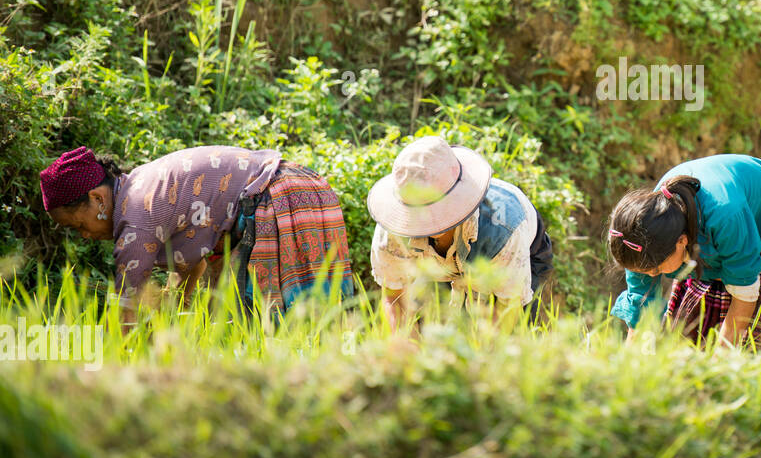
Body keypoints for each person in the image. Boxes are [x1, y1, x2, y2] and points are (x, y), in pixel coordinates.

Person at [40, 144, 353, 321]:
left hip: (280, 197)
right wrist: (178, 303)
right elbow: (194, 262)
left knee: (275, 321)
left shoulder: (135, 218)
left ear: (97, 198)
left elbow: (126, 311)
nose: (84, 236)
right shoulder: (140, 188)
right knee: (313, 319)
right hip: (305, 187)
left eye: (78, 225)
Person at [608, 154, 761, 348]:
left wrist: (719, 364)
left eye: (656, 270)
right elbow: (641, 307)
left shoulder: (724, 215)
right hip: (728, 227)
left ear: (681, 242)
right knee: (690, 338)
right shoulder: (642, 232)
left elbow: (744, 293)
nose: (651, 275)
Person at [367, 136, 554, 328]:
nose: (427, 221)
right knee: (430, 326)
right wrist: (405, 339)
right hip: (438, 264)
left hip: (515, 255)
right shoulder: (393, 234)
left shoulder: (503, 230)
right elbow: (394, 297)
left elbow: (508, 307)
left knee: (517, 332)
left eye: (433, 211)